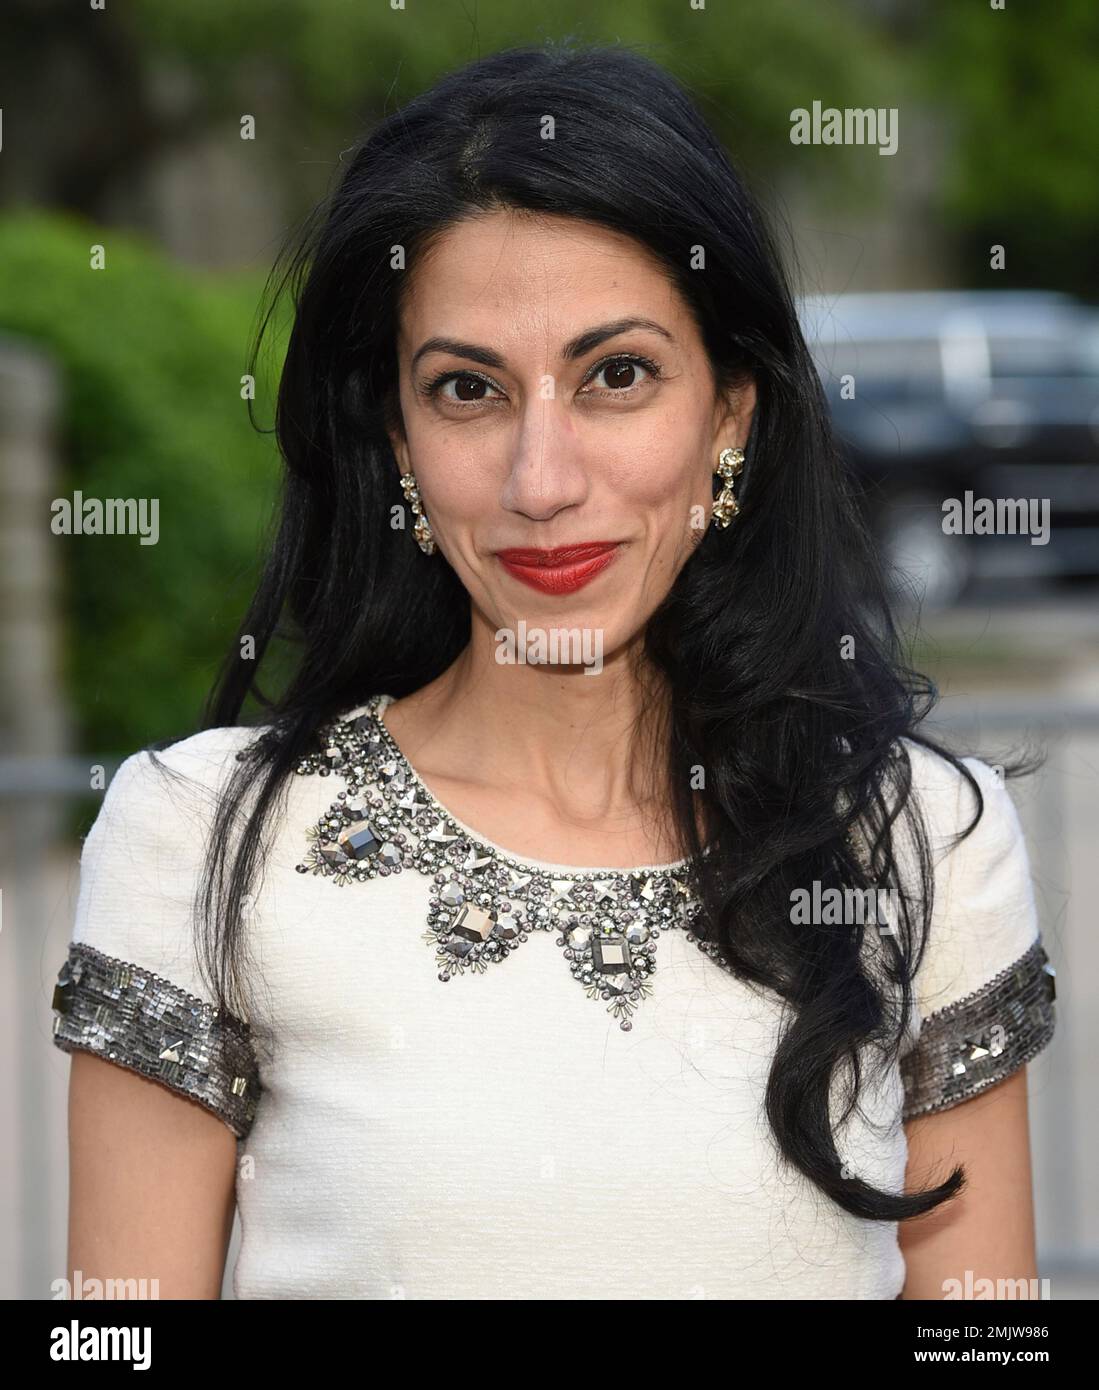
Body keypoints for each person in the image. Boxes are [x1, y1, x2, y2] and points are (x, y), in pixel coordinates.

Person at [50, 41, 1056, 1300]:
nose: (543, 481)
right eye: (467, 389)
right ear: (399, 442)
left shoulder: (920, 845)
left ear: (730, 412)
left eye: (616, 376)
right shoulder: (196, 842)